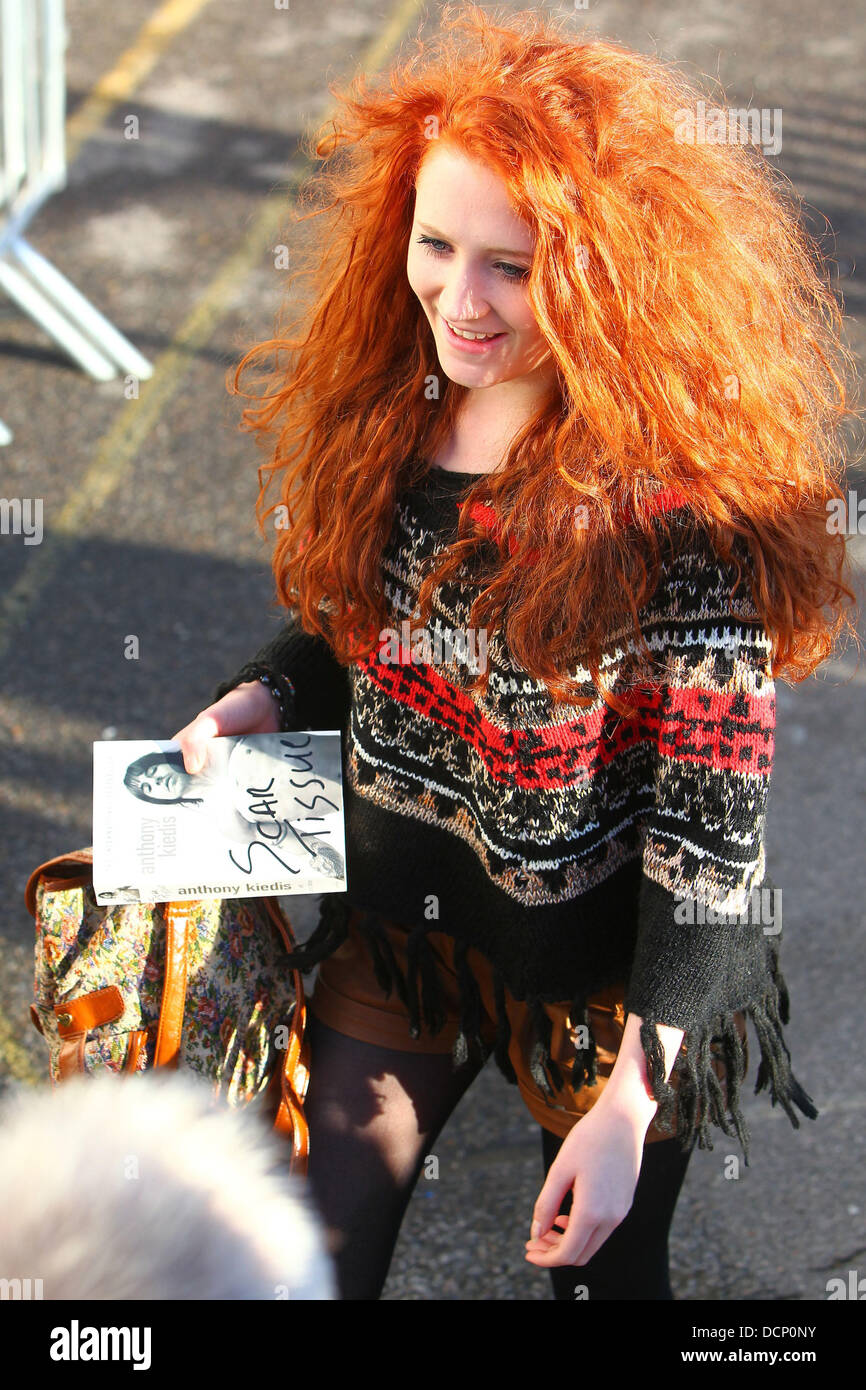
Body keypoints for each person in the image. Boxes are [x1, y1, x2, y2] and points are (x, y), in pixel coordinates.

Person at [173, 4, 859, 1300]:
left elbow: (704, 846)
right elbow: (359, 633)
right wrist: (263, 699)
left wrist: (627, 1106)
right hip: (410, 935)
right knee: (294, 1260)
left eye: (511, 262)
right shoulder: (399, 410)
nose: (457, 297)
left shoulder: (679, 522)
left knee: (602, 1284)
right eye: (435, 243)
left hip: (607, 986)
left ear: (603, 277)